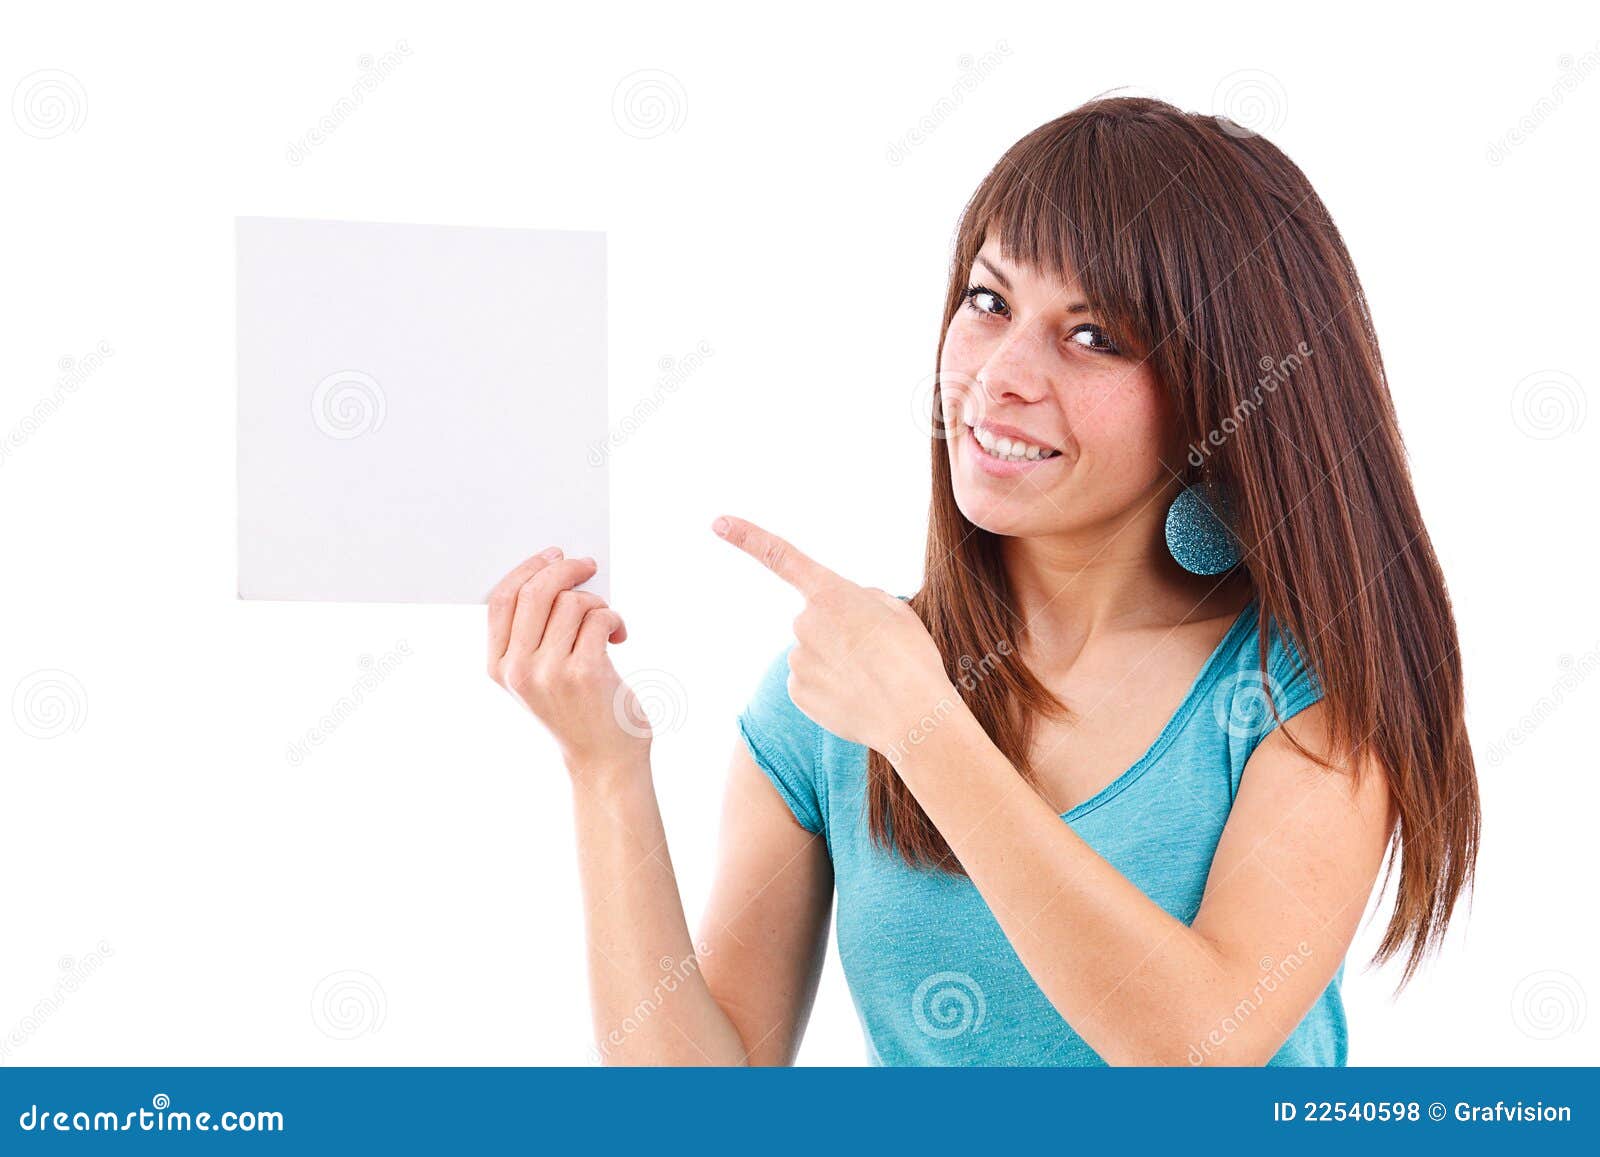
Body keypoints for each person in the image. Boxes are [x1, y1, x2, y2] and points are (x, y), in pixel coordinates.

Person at [485, 95, 1479, 1066]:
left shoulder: (1301, 690)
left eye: (1092, 335)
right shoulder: (833, 694)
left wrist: (923, 727)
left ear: (1219, 388)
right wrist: (602, 767)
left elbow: (1195, 1054)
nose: (998, 372)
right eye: (988, 301)